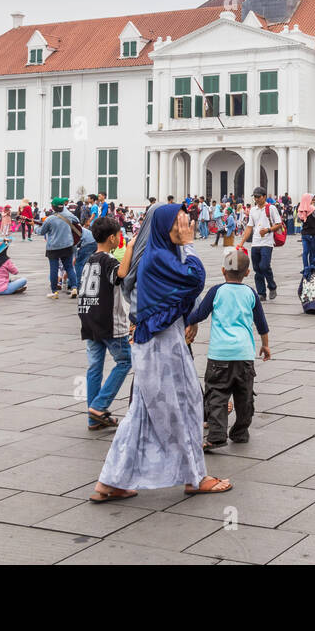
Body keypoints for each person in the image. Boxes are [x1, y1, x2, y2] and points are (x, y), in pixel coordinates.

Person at [90, 203, 231, 502]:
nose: (185, 228)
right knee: (184, 404)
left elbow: (179, 293)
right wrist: (191, 245)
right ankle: (195, 477)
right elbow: (194, 279)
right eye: (179, 224)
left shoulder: (161, 255)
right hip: (160, 345)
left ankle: (110, 482)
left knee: (144, 412)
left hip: (158, 342)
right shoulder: (158, 258)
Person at [186, 247, 271, 451]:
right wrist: (265, 345)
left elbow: (200, 313)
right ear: (248, 273)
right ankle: (240, 432)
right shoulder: (250, 293)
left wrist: (187, 322)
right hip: (244, 355)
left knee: (216, 395)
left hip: (219, 355)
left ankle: (216, 436)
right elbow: (261, 323)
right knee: (245, 396)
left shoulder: (217, 291)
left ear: (223, 271)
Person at [79, 216, 134, 429]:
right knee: (125, 361)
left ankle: (94, 417)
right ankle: (99, 405)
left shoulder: (90, 259)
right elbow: (120, 274)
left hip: (89, 319)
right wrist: (129, 249)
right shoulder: (108, 260)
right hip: (108, 321)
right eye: (119, 235)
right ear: (112, 238)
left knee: (94, 368)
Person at [241, 186, 283, 301]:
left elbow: (279, 224)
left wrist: (268, 230)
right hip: (255, 242)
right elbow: (249, 227)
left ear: (264, 196)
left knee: (264, 266)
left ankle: (272, 286)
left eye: (258, 197)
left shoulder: (272, 208)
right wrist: (242, 242)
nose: (256, 199)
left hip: (267, 242)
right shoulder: (253, 210)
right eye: (254, 197)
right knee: (257, 269)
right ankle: (261, 293)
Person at [38, 198, 79, 298]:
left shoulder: (49, 219)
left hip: (53, 247)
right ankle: (74, 288)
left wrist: (35, 227)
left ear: (53, 207)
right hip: (67, 245)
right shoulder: (69, 216)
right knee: (69, 267)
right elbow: (77, 220)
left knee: (54, 269)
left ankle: (54, 292)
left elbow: (41, 232)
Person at [298, 193, 315, 269]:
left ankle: (306, 268)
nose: (313, 200)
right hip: (313, 233)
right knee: (313, 253)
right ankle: (312, 267)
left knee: (305, 252)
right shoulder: (312, 208)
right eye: (312, 198)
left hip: (304, 233)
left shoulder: (300, 209)